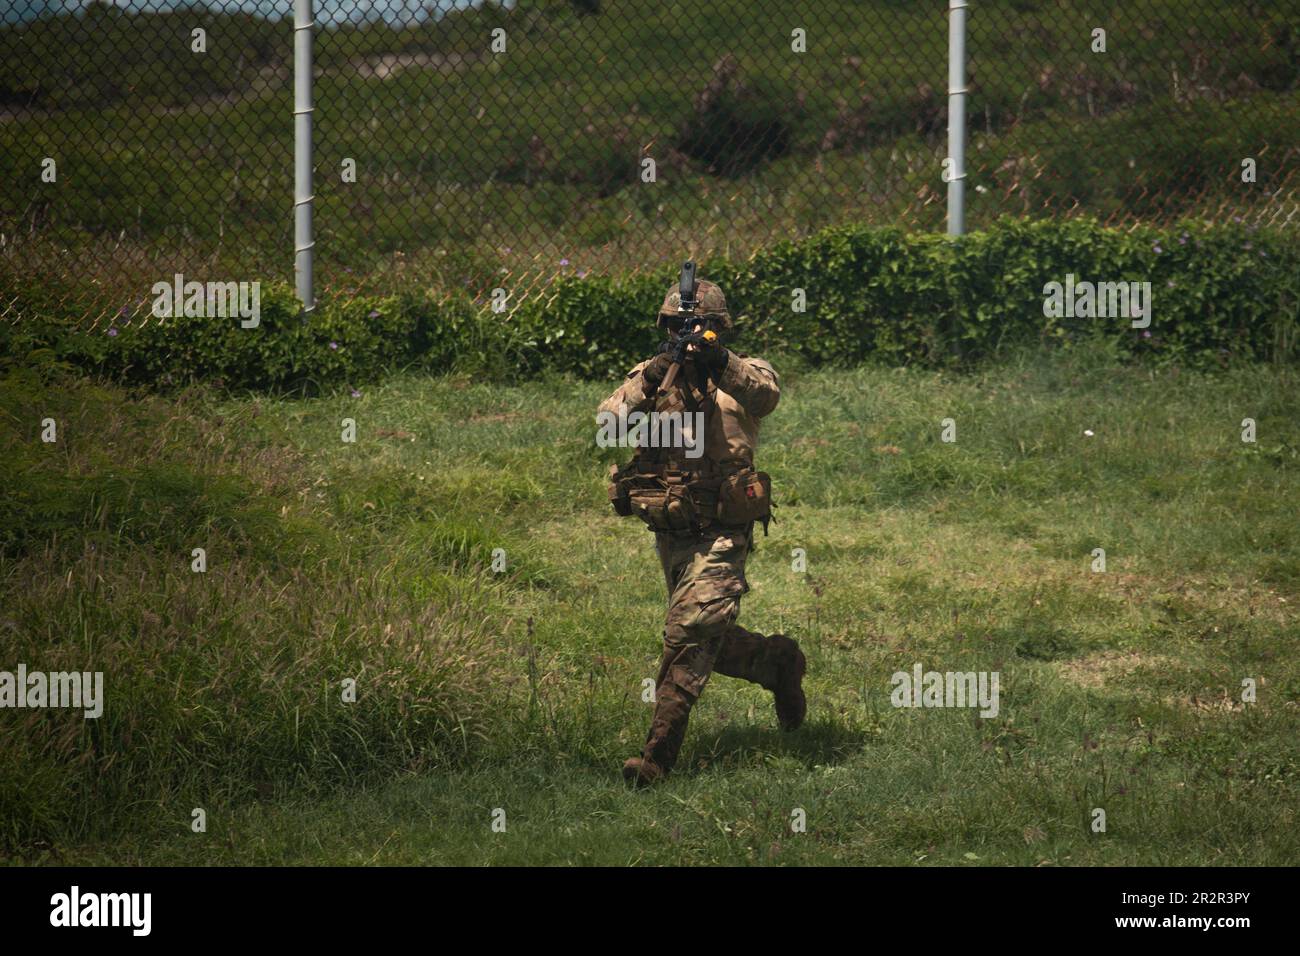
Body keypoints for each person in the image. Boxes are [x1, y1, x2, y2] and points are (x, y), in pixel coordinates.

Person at [600, 275, 807, 788]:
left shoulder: (744, 374)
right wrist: (653, 375)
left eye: (703, 327)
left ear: (720, 328)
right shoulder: (653, 379)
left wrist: (720, 360)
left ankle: (656, 759)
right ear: (664, 328)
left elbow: (765, 396)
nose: (691, 335)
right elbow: (608, 423)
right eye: (680, 326)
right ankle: (776, 664)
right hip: (671, 530)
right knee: (707, 637)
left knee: (688, 631)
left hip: (722, 530)